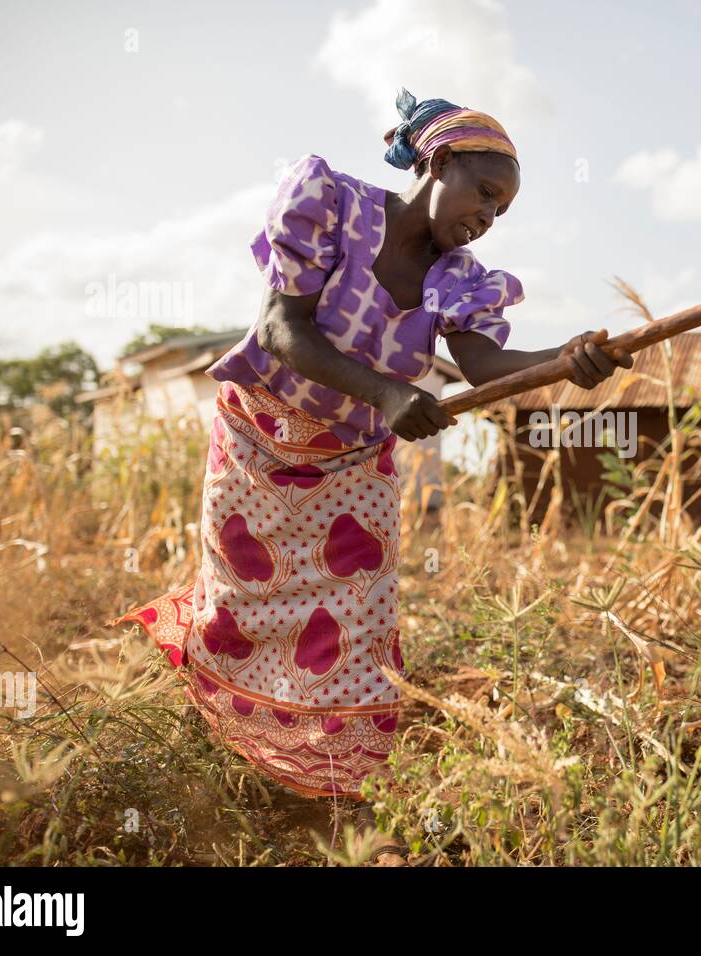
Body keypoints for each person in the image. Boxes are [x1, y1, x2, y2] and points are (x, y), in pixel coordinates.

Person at [109, 88, 632, 864]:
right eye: (484, 192)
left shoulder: (461, 278)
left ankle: (346, 803)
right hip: (260, 438)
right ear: (440, 161)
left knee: (358, 627)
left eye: (502, 210)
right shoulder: (332, 205)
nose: (488, 216)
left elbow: (485, 364)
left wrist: (567, 361)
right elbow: (283, 332)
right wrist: (390, 393)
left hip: (353, 462)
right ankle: (239, 753)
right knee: (241, 606)